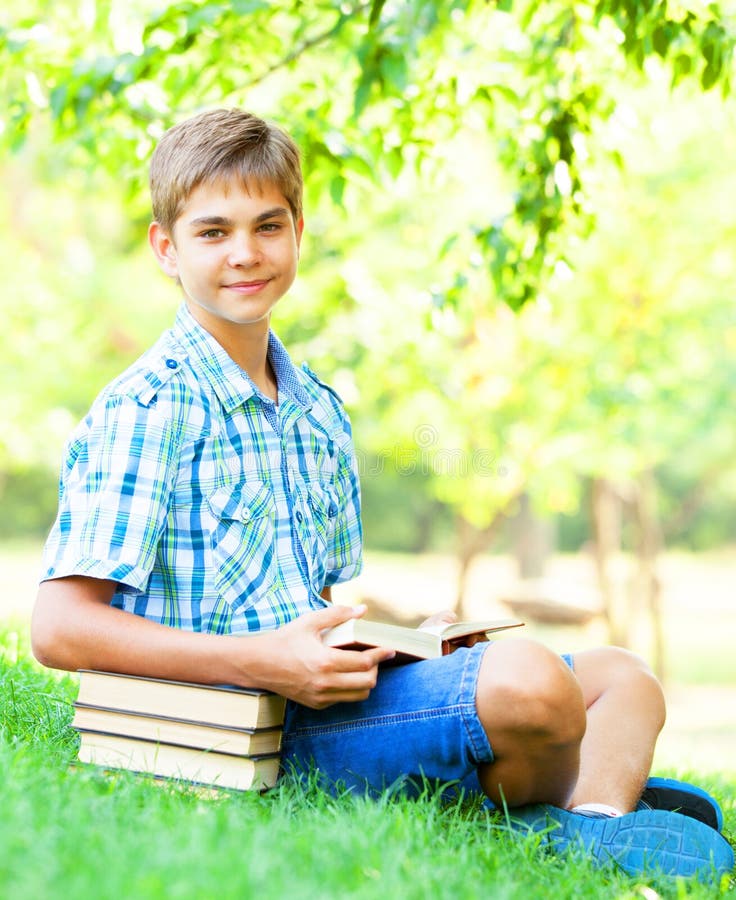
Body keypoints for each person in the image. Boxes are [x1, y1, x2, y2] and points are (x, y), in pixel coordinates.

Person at [32, 109, 733, 882]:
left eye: (268, 226)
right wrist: (260, 660)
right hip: (254, 724)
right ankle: (580, 792)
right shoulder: (148, 409)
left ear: (298, 230)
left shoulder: (316, 410)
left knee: (625, 676)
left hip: (328, 698)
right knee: (533, 682)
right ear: (166, 248)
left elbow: (317, 602)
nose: (245, 253)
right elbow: (59, 628)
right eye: (213, 232)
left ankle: (584, 821)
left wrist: (407, 642)